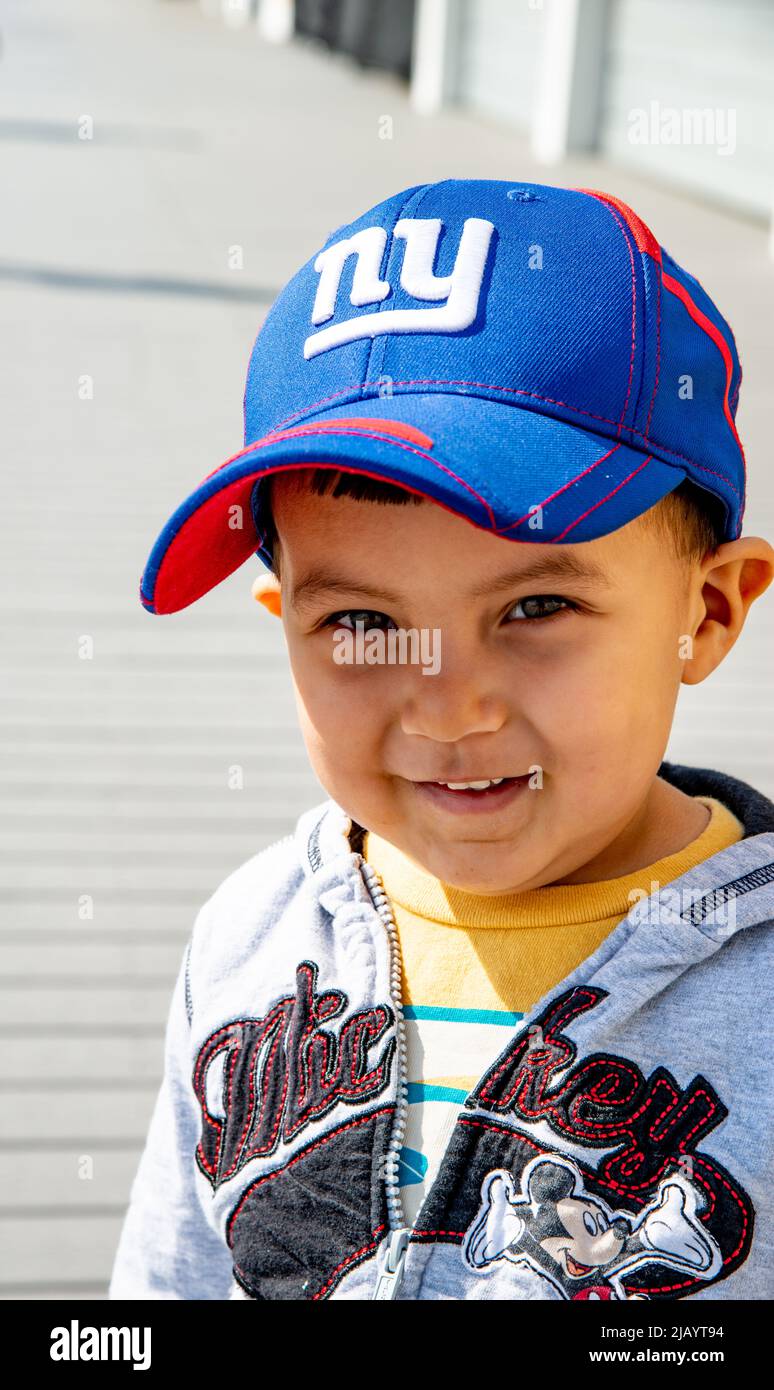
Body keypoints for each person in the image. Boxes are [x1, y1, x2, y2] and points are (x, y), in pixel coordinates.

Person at [110, 179, 774, 1301]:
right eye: (361, 623)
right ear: (287, 626)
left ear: (706, 612)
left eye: (533, 611)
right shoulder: (249, 940)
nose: (445, 707)